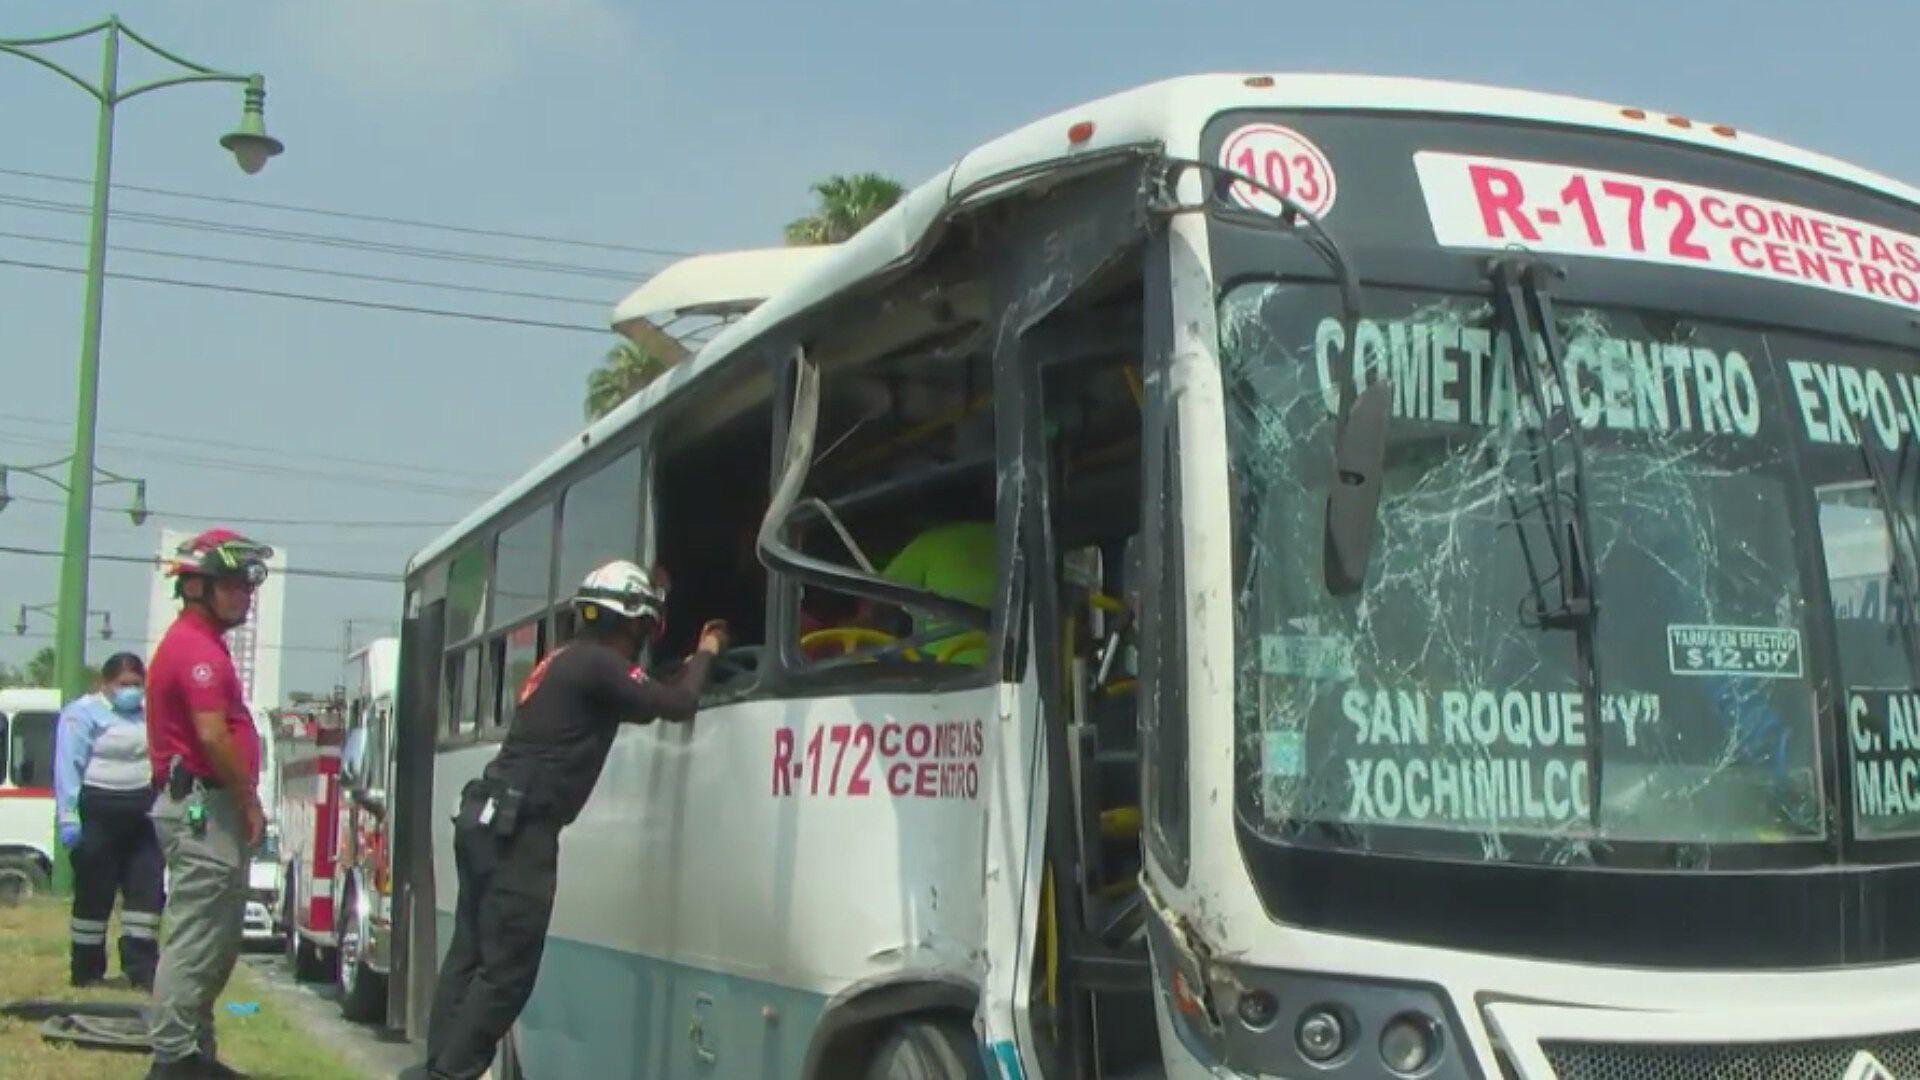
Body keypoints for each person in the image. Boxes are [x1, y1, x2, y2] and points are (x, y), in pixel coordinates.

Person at [415, 560, 729, 1079]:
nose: (645, 639)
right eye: (645, 627)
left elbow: (644, 702)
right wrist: (708, 652)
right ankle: (451, 1075)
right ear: (630, 620)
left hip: (486, 818)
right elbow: (678, 703)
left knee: (468, 960)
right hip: (522, 830)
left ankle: (437, 1067)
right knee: (507, 974)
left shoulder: (568, 663)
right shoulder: (600, 665)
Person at [143, 528, 274, 1080]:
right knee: (198, 934)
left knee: (216, 938)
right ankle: (174, 1059)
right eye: (233, 585)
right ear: (197, 587)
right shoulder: (195, 650)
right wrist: (247, 799)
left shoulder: (204, 646)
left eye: (248, 587)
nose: (244, 596)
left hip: (208, 805)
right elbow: (213, 736)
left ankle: (194, 1050)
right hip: (203, 805)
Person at [54, 652, 164, 989]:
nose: (131, 692)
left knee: (145, 894)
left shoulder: (149, 716)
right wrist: (69, 816)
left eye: (137, 685)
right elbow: (68, 764)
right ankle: (87, 972)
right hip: (98, 809)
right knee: (94, 894)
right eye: (123, 685)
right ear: (106, 684)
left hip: (143, 811)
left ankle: (141, 971)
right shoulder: (83, 713)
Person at [879, 518, 995, 663]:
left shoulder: (930, 542)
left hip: (947, 664)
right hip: (1016, 662)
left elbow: (881, 593)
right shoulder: (1014, 536)